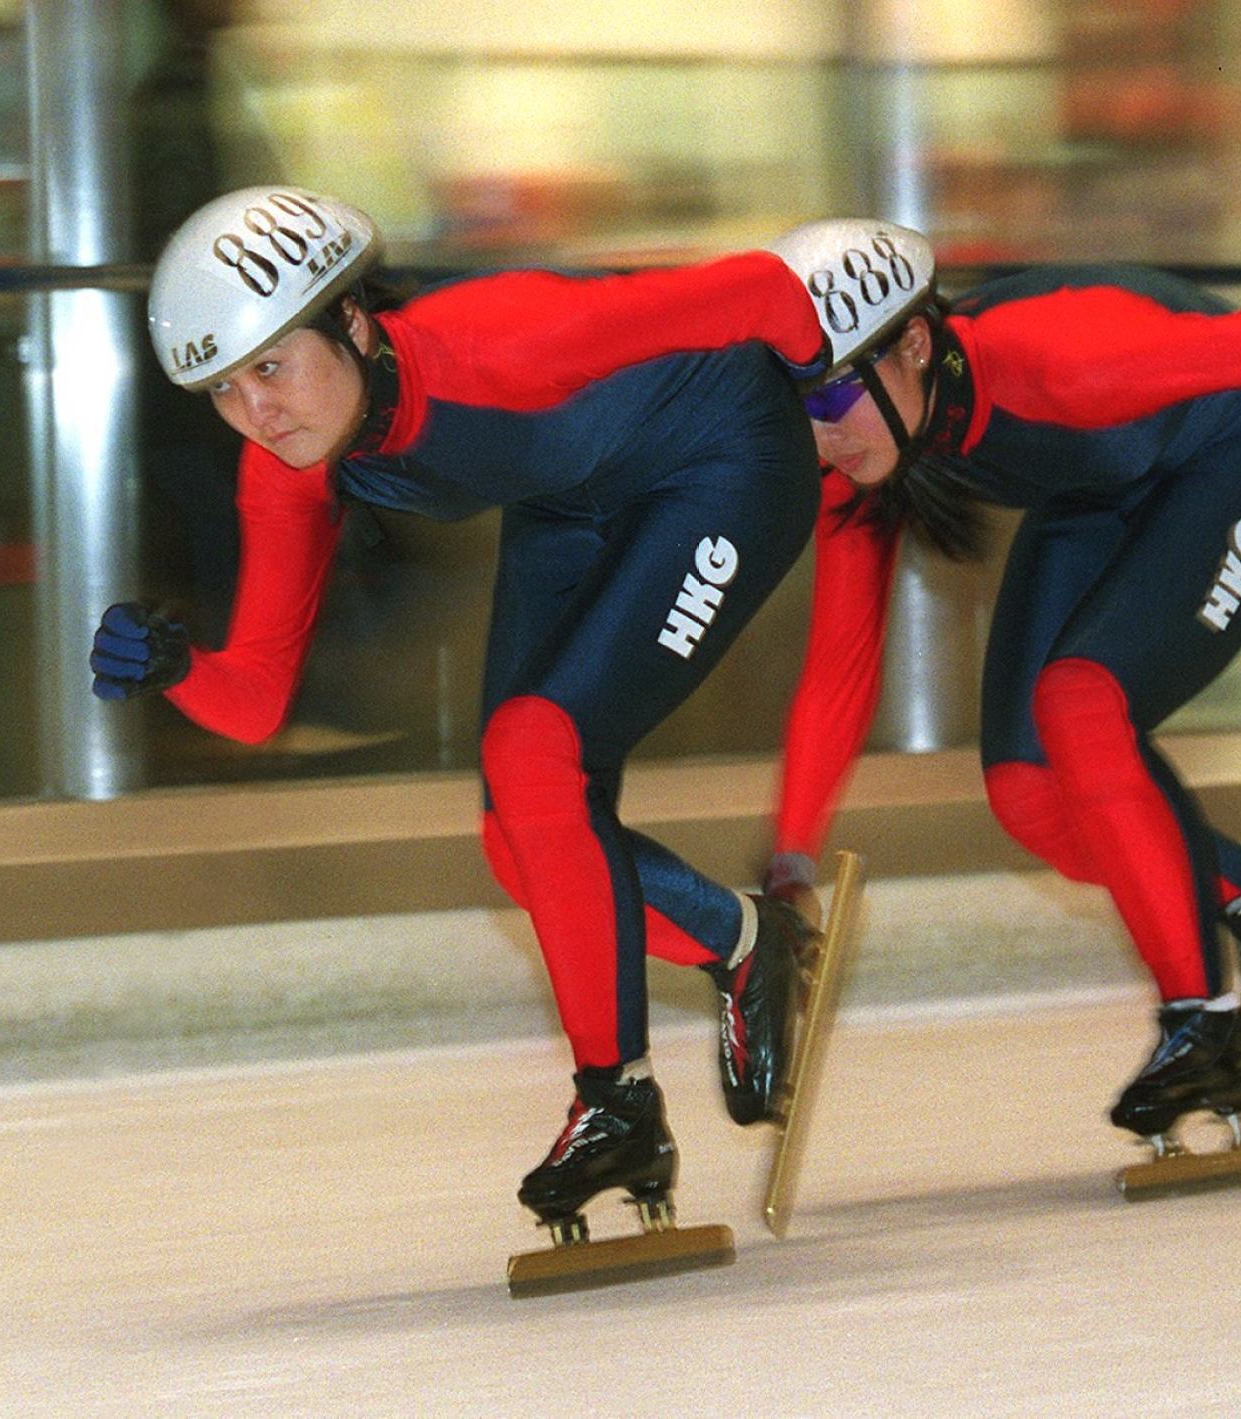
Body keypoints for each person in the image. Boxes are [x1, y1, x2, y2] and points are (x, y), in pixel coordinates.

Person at [88, 185, 868, 1236]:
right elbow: (256, 703)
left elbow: (763, 289)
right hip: (579, 497)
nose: (256, 413)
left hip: (725, 460)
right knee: (521, 841)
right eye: (224, 391)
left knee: (534, 749)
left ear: (353, 323)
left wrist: (832, 416)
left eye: (269, 366)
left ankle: (615, 1102)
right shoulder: (283, 466)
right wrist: (175, 666)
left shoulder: (503, 342)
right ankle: (739, 943)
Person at [758, 217, 1241, 1142]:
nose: (819, 439)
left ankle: (1202, 1022)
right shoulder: (858, 455)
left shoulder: (1056, 358)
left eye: (827, 403)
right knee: (1029, 792)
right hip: (1105, 484)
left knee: (1082, 701)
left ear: (912, 342)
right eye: (795, 414)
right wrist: (789, 863)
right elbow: (840, 664)